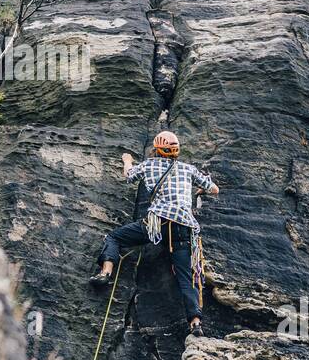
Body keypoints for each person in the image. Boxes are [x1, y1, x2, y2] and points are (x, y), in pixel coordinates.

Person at [91, 130, 219, 337]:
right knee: (187, 277)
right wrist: (200, 190)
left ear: (157, 149)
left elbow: (129, 176)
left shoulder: (149, 165)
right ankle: (195, 323)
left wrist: (127, 160)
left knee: (114, 237)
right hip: (184, 229)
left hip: (156, 224)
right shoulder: (188, 169)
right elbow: (214, 189)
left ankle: (105, 272)